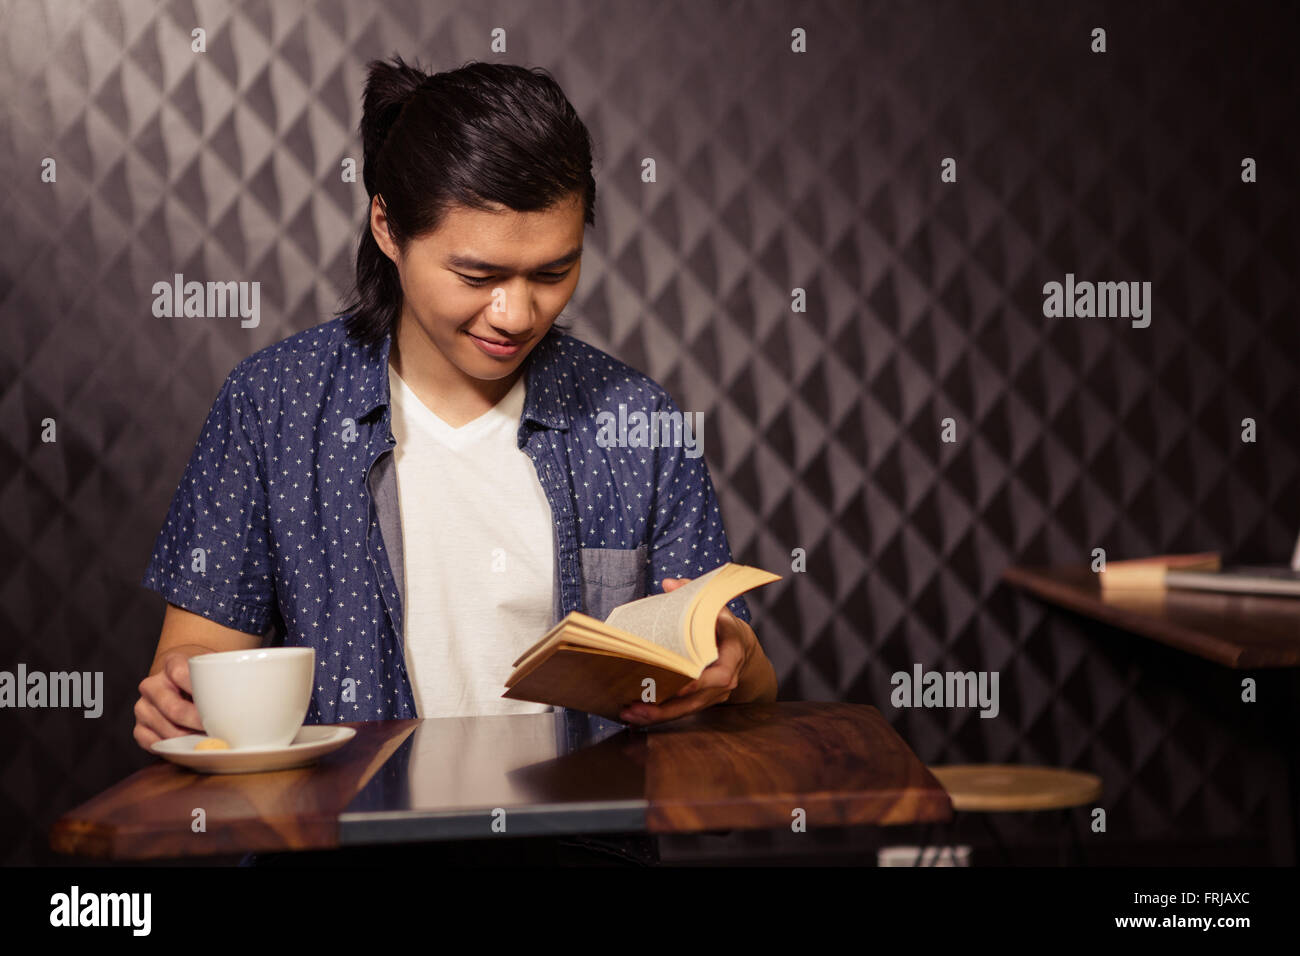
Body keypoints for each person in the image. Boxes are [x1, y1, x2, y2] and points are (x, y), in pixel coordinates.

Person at [132, 56, 777, 862]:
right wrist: (182, 697)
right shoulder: (275, 405)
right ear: (387, 229)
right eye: (477, 274)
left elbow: (744, 686)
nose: (516, 312)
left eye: (554, 271)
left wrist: (736, 665)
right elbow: (193, 659)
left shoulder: (635, 419)